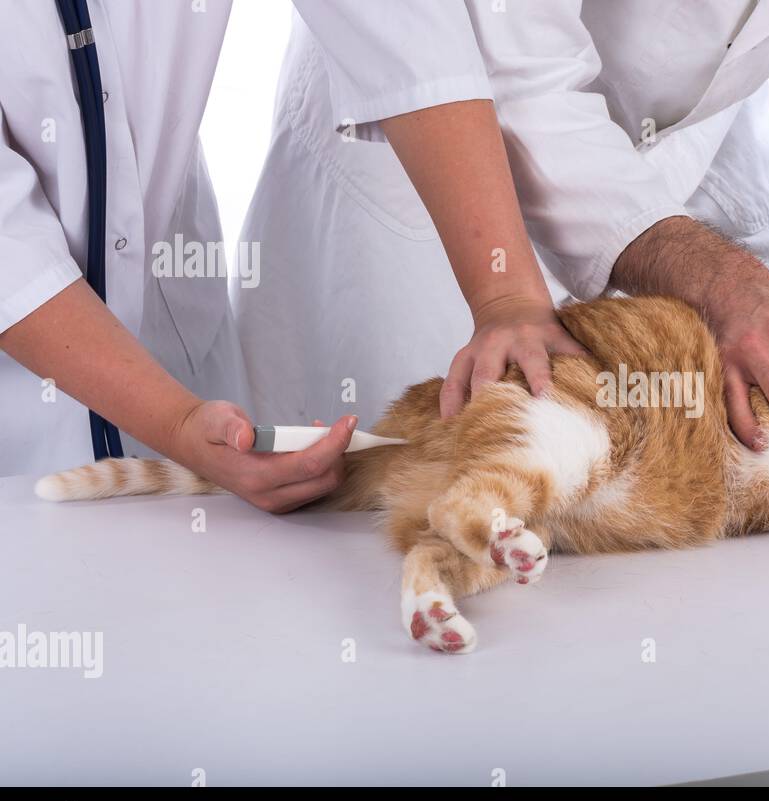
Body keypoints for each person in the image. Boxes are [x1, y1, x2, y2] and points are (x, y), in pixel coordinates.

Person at [235, 1, 769, 492]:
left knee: (705, 566)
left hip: (698, 144)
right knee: (401, 501)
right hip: (434, 153)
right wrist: (727, 288)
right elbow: (521, 76)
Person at [0, 2, 576, 511]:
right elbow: (12, 249)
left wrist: (505, 296)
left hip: (172, 329)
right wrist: (175, 423)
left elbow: (403, 32)